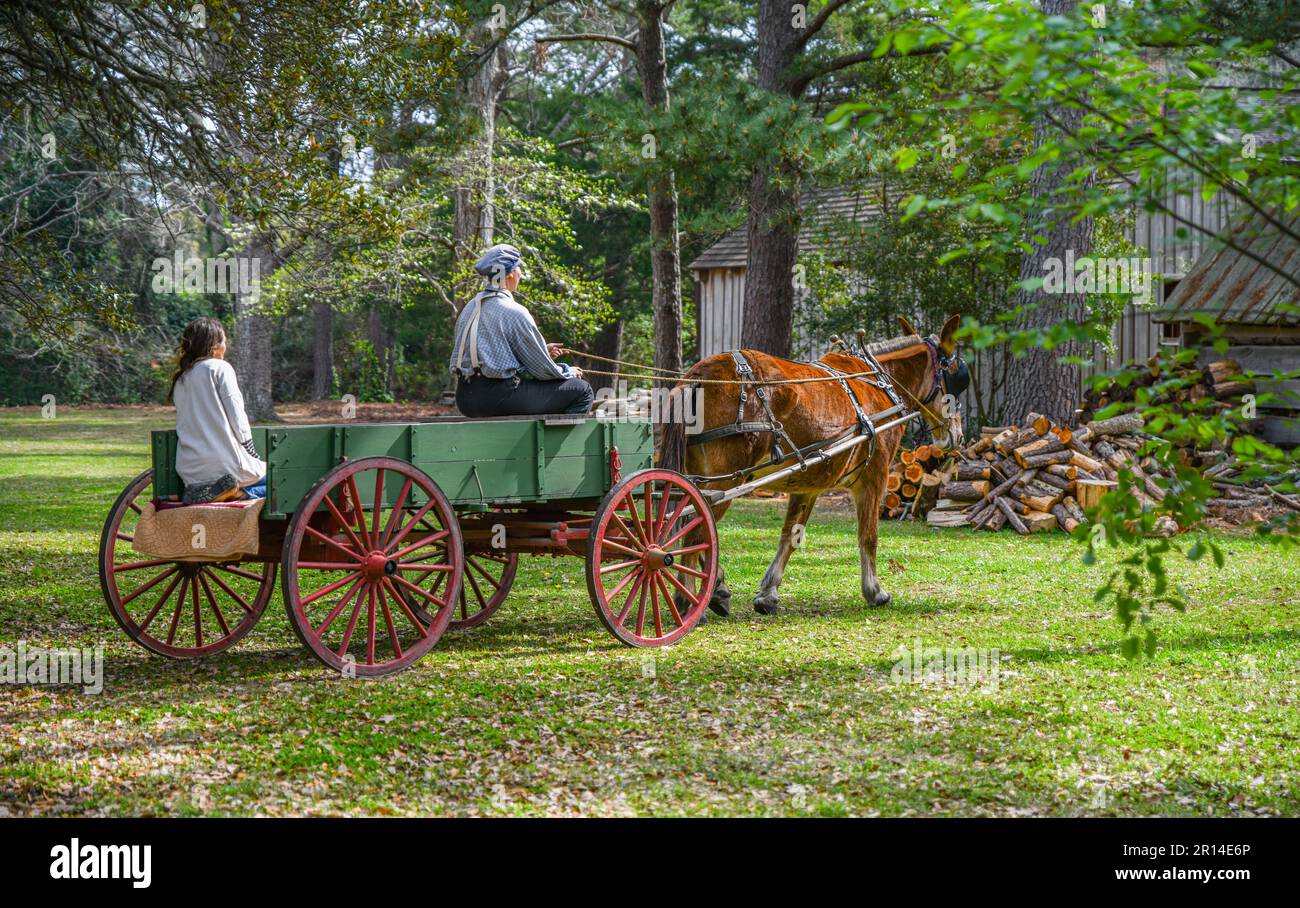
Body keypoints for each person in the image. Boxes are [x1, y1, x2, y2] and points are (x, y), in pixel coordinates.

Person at [450, 243, 595, 417]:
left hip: (465, 398)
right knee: (582, 390)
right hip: (498, 397)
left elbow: (491, 359)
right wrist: (568, 371)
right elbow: (542, 371)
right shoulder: (514, 311)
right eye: (519, 268)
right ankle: (552, 444)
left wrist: (543, 352)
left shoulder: (470, 307)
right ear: (510, 274)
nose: (521, 274)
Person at [168, 318, 267, 504]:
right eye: (224, 342)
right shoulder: (220, 368)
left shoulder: (182, 377)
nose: (225, 347)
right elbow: (237, 416)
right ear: (215, 346)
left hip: (190, 469)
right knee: (284, 481)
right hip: (224, 466)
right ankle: (238, 494)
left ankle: (216, 492)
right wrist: (250, 449)